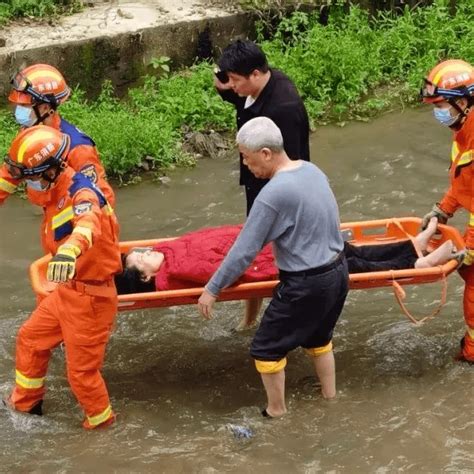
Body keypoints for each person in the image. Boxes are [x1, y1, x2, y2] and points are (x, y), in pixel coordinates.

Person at [196, 116, 348, 418]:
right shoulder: (312, 171)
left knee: (265, 348)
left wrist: (212, 289)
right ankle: (331, 399)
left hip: (306, 283)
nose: (247, 167)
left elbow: (244, 251)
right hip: (338, 272)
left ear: (266, 153)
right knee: (319, 338)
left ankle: (276, 412)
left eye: (247, 159)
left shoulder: (273, 194)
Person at [118, 218, 455, 328]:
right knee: (349, 264)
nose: (148, 251)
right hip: (271, 260)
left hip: (264, 243)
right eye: (142, 258)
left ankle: (412, 246)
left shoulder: (168, 251)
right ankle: (416, 265)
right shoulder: (176, 269)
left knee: (348, 251)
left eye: (142, 250)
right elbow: (229, 271)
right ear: (146, 277)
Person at [3, 125, 121, 429]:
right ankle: (26, 406)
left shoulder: (80, 192)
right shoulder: (52, 187)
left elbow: (87, 221)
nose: (27, 183)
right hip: (68, 291)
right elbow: (12, 173)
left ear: (49, 171)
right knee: (30, 340)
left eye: (31, 176)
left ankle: (102, 427)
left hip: (91, 297)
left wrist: (70, 251)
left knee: (82, 374)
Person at [0, 64, 115, 250]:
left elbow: (101, 200)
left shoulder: (78, 148)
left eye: (24, 105)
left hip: (80, 239)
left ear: (45, 107)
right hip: (55, 224)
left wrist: (76, 242)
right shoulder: (33, 135)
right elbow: (10, 173)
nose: (18, 110)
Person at [215, 39, 310, 214]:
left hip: (275, 194)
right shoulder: (256, 86)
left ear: (255, 74)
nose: (232, 85)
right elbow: (239, 99)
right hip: (256, 177)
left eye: (234, 79)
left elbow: (290, 165)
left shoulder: (284, 109)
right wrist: (222, 83)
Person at [420, 59, 474, 362]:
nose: (437, 111)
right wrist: (443, 210)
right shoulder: (464, 129)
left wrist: (469, 249)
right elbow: (463, 184)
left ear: (463, 101)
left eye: (441, 104)